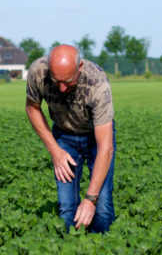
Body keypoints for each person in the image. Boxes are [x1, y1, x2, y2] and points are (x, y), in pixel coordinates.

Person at [25, 44, 115, 233]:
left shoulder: (97, 83)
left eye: (68, 81)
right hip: (63, 136)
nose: (63, 88)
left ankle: (101, 251)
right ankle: (70, 252)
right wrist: (55, 151)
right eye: (57, 82)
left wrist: (90, 199)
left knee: (102, 206)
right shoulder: (38, 72)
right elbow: (32, 107)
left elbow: (105, 147)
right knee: (67, 207)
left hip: (94, 137)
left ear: (79, 67)